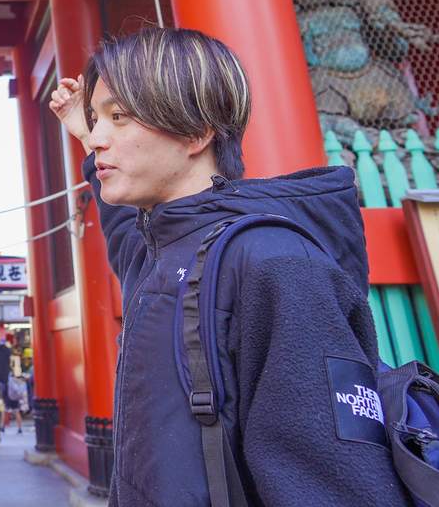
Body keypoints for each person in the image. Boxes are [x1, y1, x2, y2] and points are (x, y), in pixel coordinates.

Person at [50, 26, 408, 506]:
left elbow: (333, 480)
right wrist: (82, 130)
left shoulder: (275, 261)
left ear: (196, 131)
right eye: (95, 120)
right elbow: (122, 226)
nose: (96, 138)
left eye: (118, 117)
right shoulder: (161, 250)